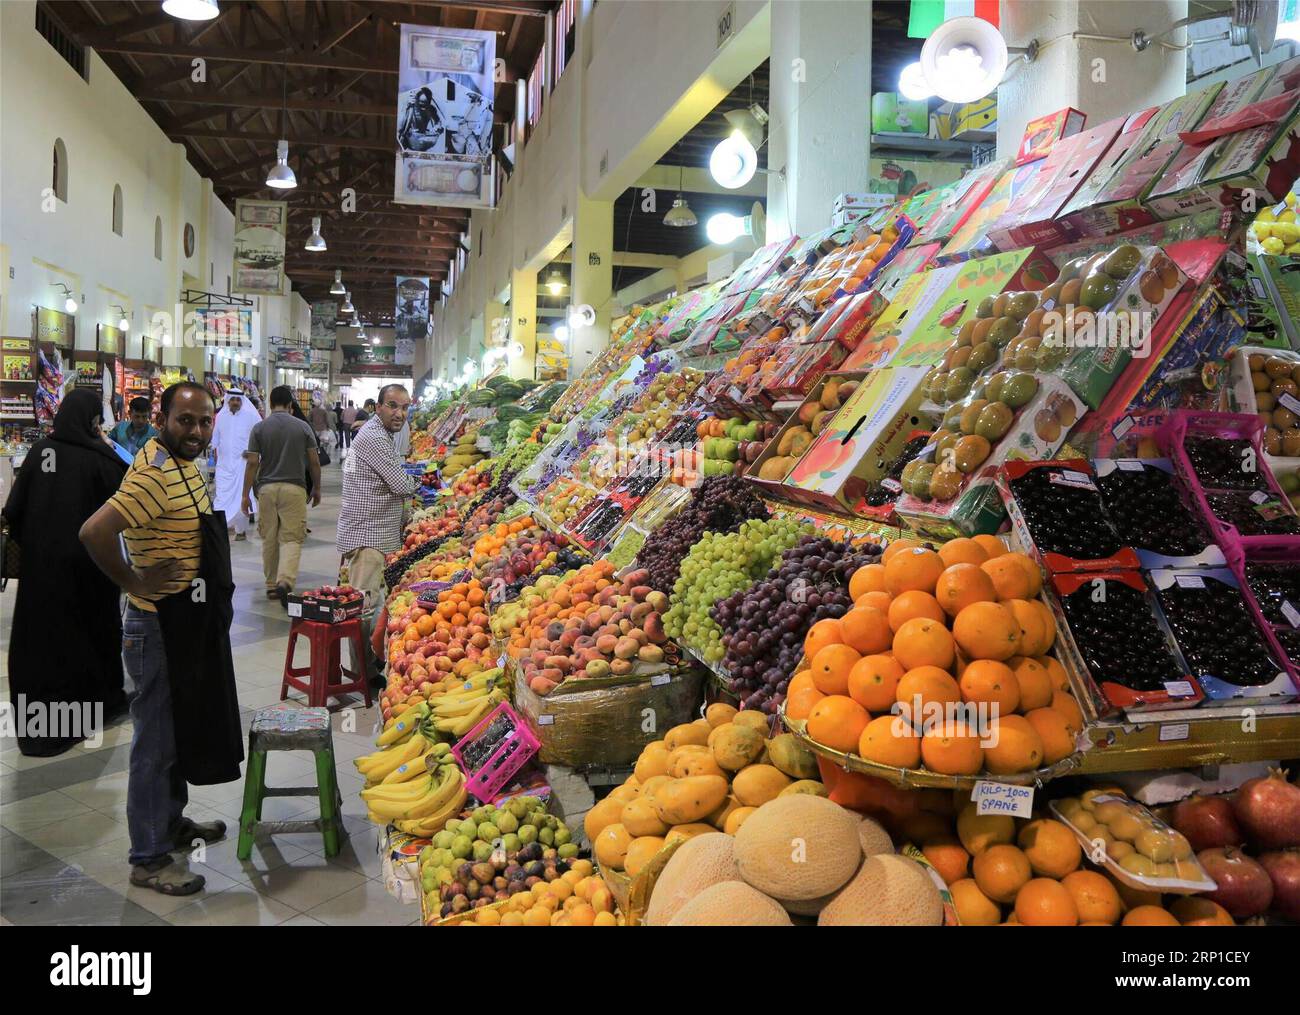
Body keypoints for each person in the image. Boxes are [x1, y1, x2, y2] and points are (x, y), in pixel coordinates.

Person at [79, 382, 243, 897]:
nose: (195, 431)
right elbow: (94, 532)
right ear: (162, 419)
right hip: (156, 625)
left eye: (203, 421)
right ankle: (148, 858)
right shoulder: (152, 474)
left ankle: (170, 824)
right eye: (184, 421)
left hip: (185, 620)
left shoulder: (183, 464)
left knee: (175, 733)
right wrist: (133, 582)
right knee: (154, 743)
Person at [2, 389, 128, 756]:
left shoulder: (42, 452)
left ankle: (40, 724)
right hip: (90, 573)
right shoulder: (101, 460)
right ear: (93, 421)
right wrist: (105, 442)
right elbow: (127, 488)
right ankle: (98, 704)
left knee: (42, 644)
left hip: (41, 573)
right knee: (89, 637)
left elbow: (14, 511)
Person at [337, 383, 414, 680]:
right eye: (393, 406)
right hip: (366, 535)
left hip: (372, 532)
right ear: (378, 407)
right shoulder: (374, 438)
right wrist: (418, 484)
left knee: (371, 602)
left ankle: (367, 666)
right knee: (364, 608)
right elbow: (399, 484)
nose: (400, 413)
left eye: (405, 407)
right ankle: (362, 675)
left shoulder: (381, 435)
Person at [242, 386, 321, 604]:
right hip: (294, 489)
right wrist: (317, 487)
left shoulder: (259, 428)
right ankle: (285, 581)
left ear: (269, 402)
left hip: (266, 490)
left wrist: (245, 495)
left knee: (269, 537)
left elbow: (251, 463)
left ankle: (270, 585)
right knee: (291, 538)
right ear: (290, 405)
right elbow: (314, 462)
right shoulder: (302, 427)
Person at [210, 388, 261, 540]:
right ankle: (222, 526)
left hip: (242, 466)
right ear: (227, 400)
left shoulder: (251, 417)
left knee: (242, 496)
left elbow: (260, 438)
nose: (235, 402)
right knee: (221, 496)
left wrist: (254, 453)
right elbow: (215, 439)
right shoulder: (220, 416)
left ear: (242, 401)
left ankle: (241, 531)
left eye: (238, 400)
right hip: (224, 465)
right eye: (232, 399)